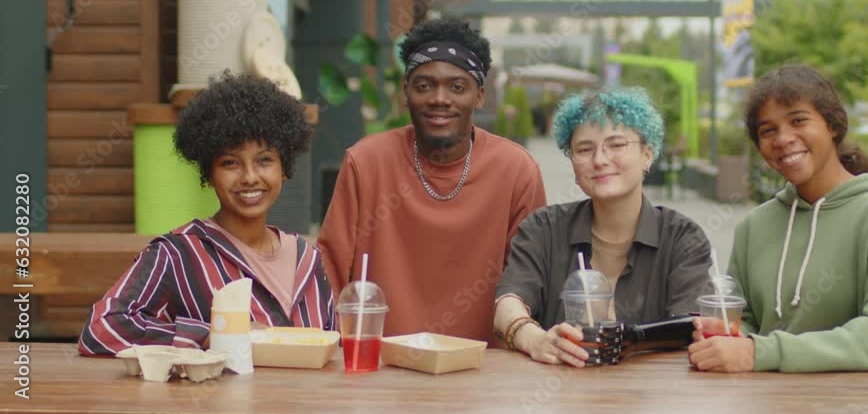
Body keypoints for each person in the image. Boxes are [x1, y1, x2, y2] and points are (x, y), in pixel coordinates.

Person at [687, 65, 868, 399]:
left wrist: (759, 352)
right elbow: (748, 322)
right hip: (775, 402)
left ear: (833, 126)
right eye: (767, 130)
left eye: (798, 120)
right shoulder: (754, 227)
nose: (783, 139)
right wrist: (729, 334)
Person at [317, 18, 547, 344]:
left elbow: (529, 282)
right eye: (424, 86)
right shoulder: (367, 162)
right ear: (405, 93)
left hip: (485, 370)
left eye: (457, 87)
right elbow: (330, 274)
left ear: (479, 96)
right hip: (379, 368)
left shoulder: (516, 170)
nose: (440, 98)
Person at [79, 72, 335, 356]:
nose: (249, 177)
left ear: (284, 168)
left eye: (264, 160)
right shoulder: (179, 254)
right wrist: (209, 336)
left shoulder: (308, 260)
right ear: (209, 174)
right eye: (230, 163)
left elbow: (333, 350)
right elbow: (102, 329)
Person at [495, 87, 712, 367]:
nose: (599, 159)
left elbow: (689, 326)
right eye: (584, 149)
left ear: (648, 154)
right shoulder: (543, 229)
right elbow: (507, 304)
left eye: (617, 145)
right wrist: (533, 338)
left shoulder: (683, 238)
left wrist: (629, 340)